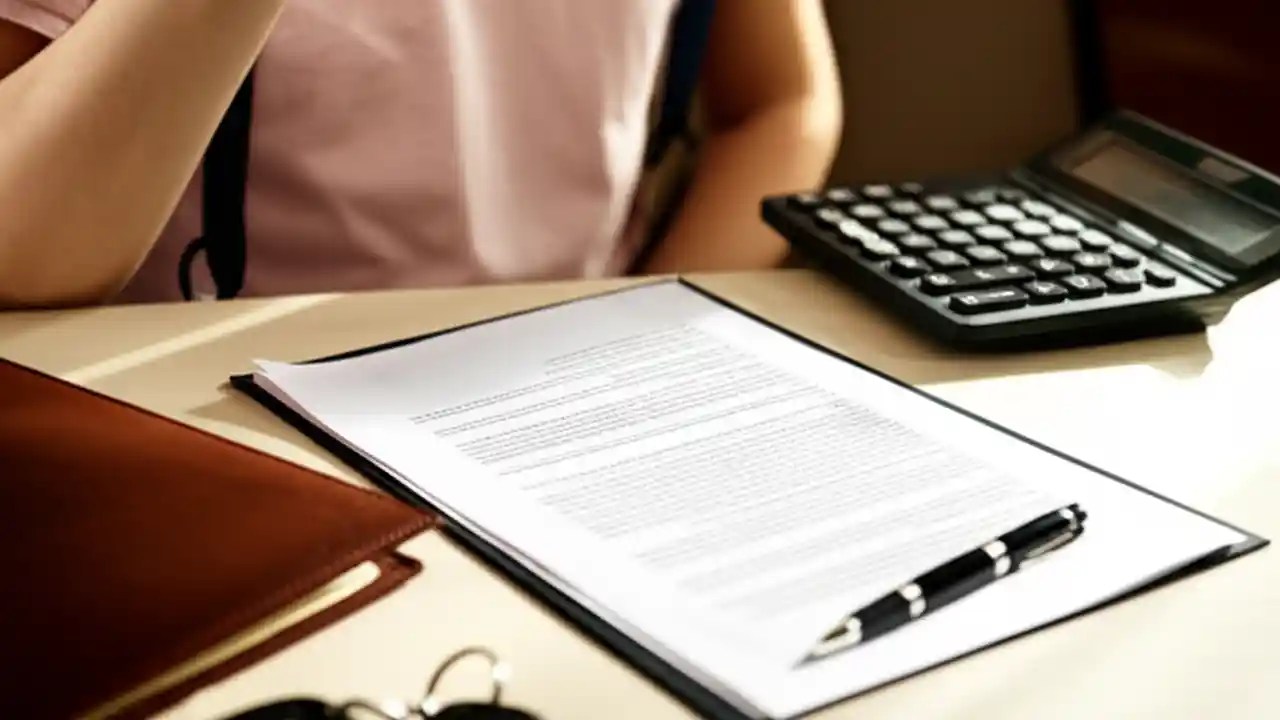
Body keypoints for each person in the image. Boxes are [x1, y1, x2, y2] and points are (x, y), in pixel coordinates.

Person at [0, 1, 843, 309]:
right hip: (221, 410)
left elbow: (781, 105)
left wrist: (642, 334)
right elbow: (16, 254)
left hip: (570, 363)